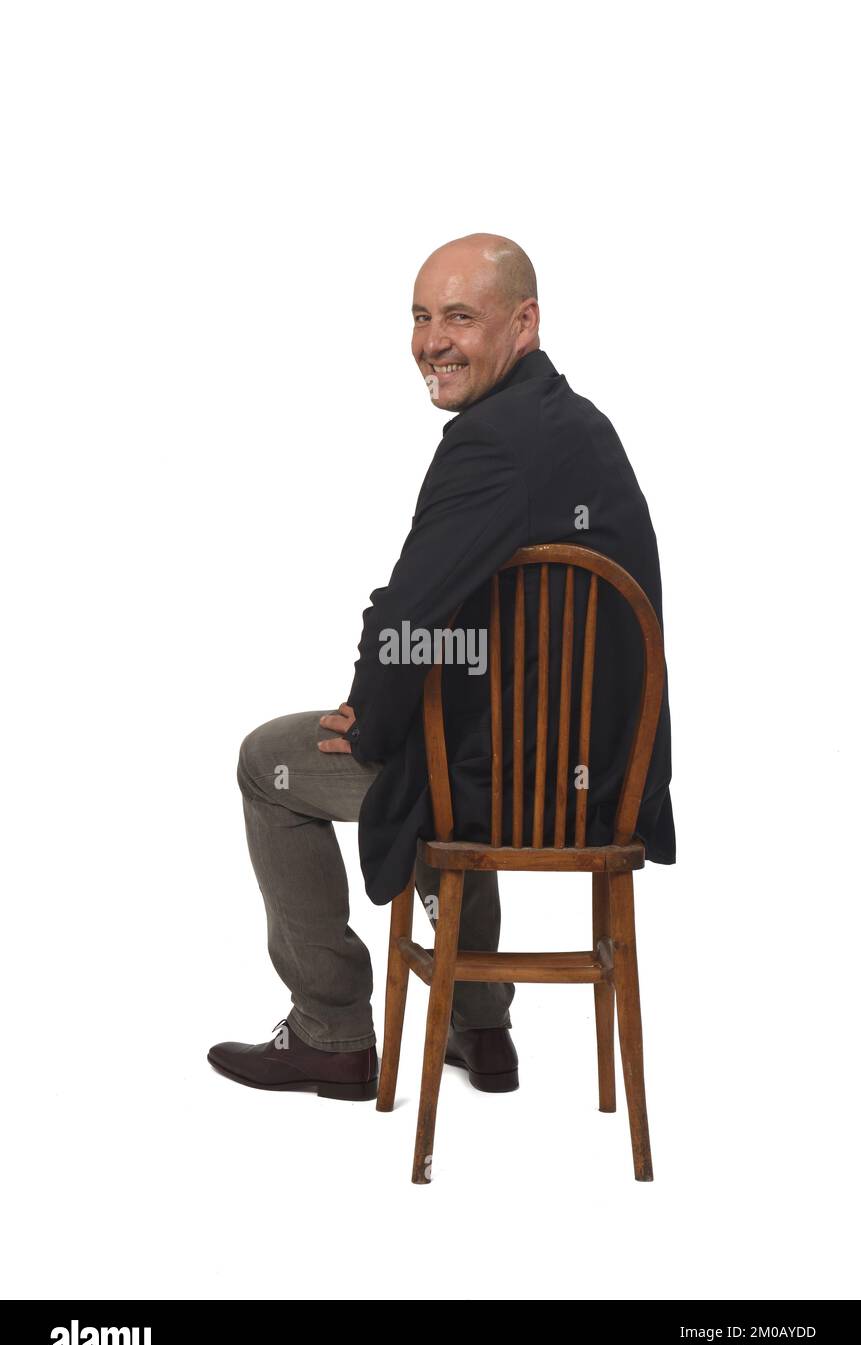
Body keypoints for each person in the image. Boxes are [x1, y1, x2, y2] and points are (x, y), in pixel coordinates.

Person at [207, 233, 675, 1101]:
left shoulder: (492, 443)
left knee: (269, 761)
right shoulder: (576, 426)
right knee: (443, 719)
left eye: (459, 316)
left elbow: (406, 615)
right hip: (605, 784)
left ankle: (331, 1033)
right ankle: (482, 1028)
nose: (432, 342)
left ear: (524, 322)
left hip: (515, 789)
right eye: (421, 318)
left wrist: (368, 716)